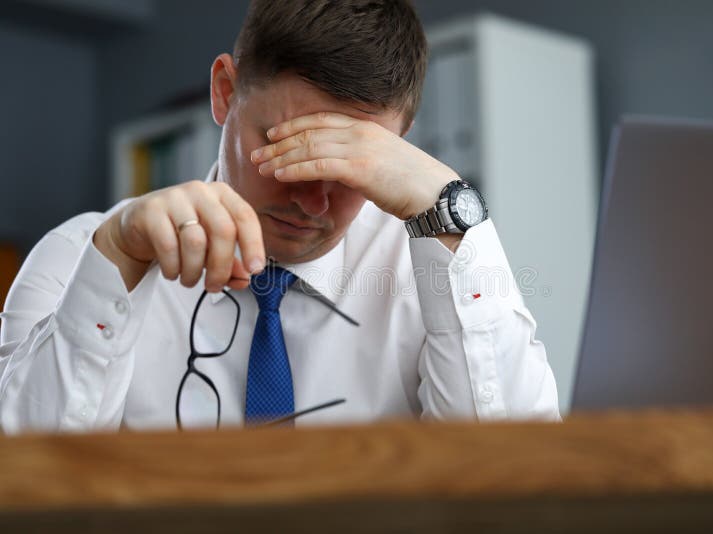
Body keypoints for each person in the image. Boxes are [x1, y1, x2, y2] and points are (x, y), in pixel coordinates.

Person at [0, 0, 559, 433]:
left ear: (400, 151)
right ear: (225, 92)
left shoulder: (441, 271)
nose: (311, 202)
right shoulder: (80, 258)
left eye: (352, 164)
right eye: (284, 147)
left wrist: (446, 204)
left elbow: (521, 486)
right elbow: (20, 486)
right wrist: (118, 259)